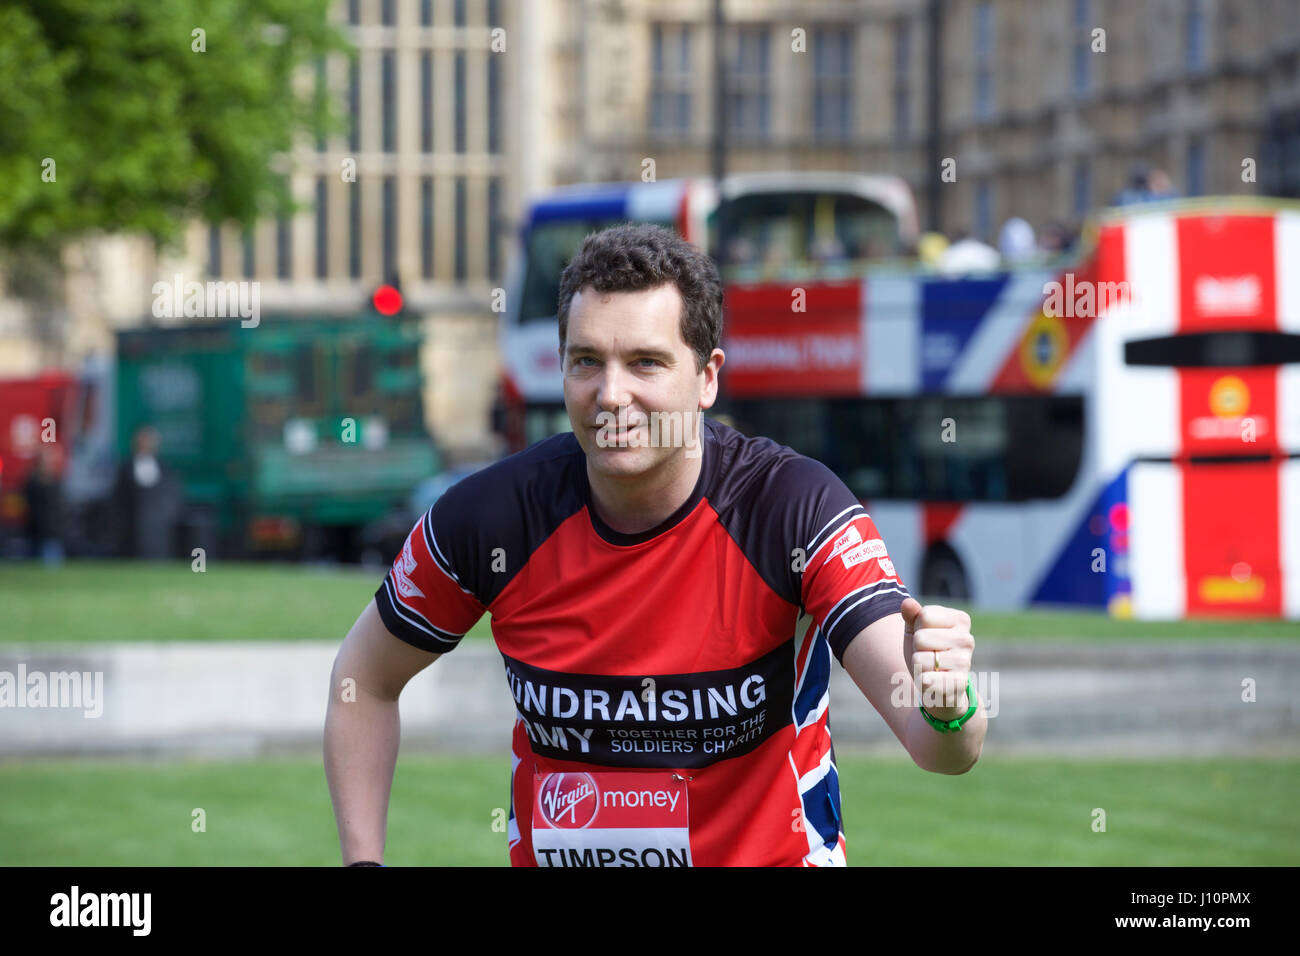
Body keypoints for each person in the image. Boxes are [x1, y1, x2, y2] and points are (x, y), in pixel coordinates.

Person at [324, 223, 987, 868]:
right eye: (587, 362)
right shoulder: (491, 517)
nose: (612, 395)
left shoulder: (794, 509)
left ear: (706, 379)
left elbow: (938, 749)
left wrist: (950, 704)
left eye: (645, 362)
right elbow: (363, 680)